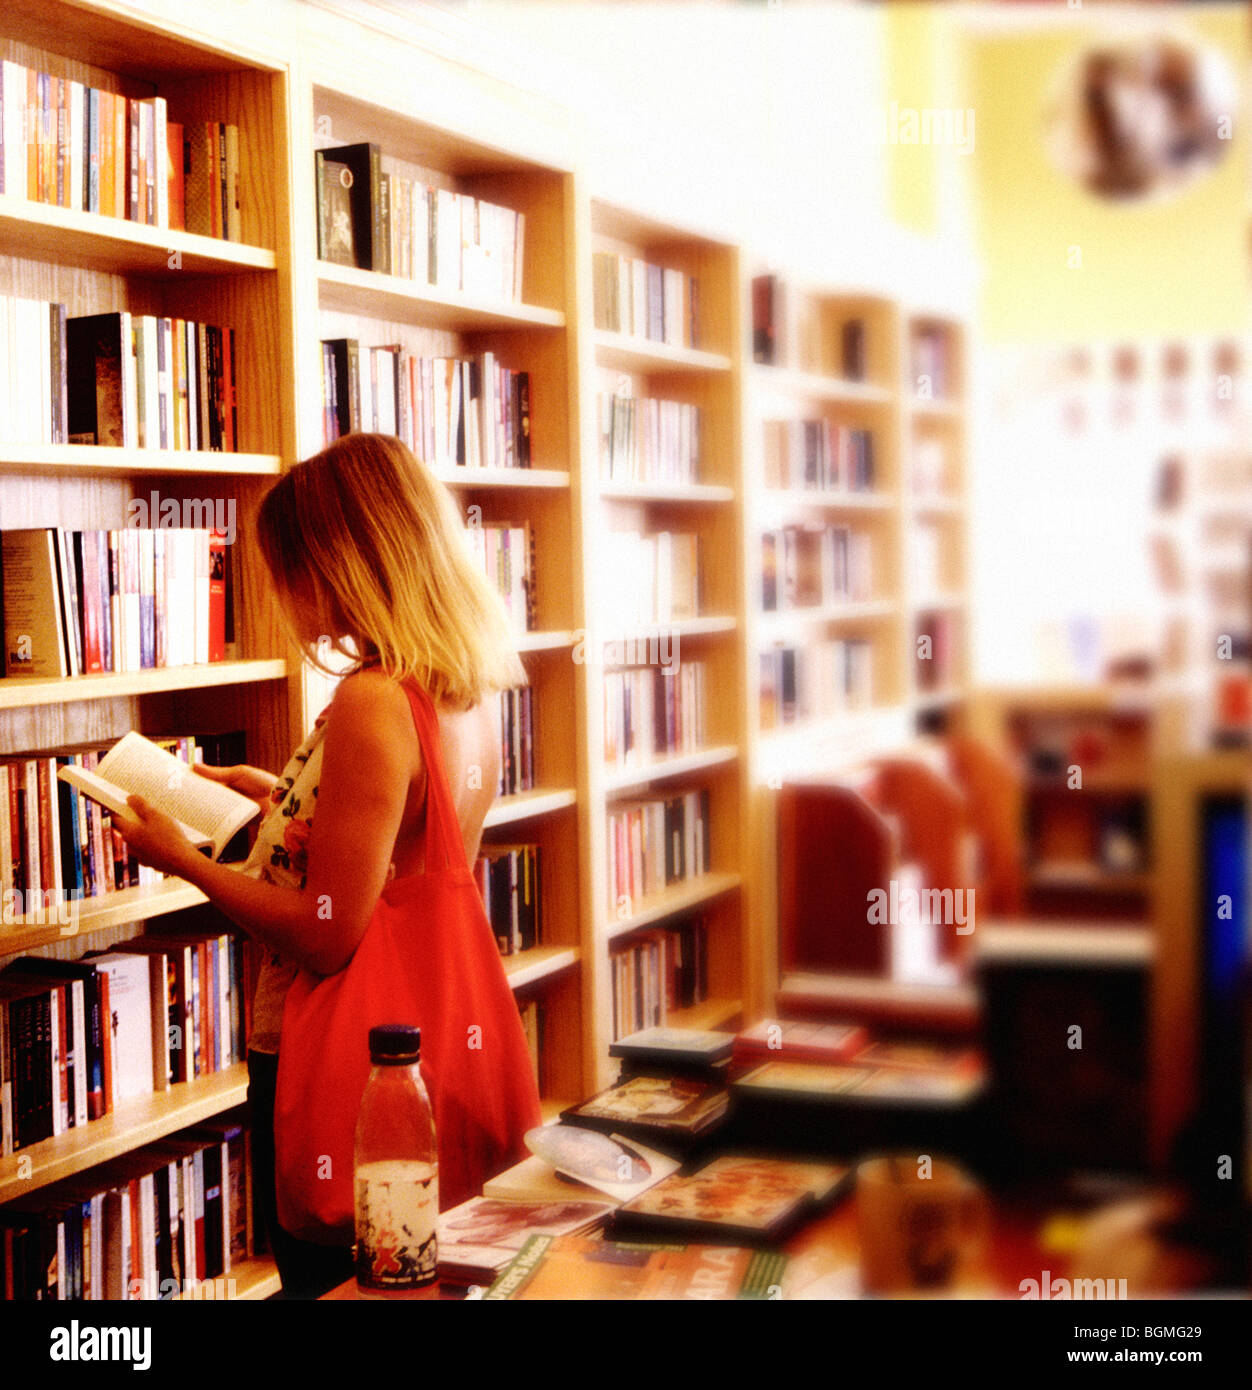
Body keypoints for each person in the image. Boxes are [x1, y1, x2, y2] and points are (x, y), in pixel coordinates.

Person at [114, 433, 533, 1297]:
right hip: (431, 1046)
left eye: (287, 571)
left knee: (333, 1282)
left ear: (335, 562)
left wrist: (182, 862)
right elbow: (403, 860)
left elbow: (329, 934)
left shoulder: (371, 700)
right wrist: (279, 800)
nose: (285, 598)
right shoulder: (460, 689)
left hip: (351, 1062)